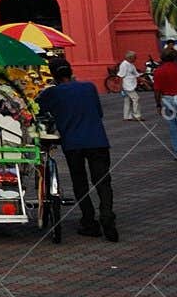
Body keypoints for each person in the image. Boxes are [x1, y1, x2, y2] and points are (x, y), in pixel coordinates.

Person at [38, 57, 118, 241]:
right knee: (103, 181)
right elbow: (99, 113)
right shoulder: (89, 87)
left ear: (52, 75)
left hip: (73, 143)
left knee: (80, 182)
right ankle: (107, 215)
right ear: (70, 71)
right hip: (97, 141)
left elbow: (38, 111)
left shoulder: (52, 93)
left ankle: (89, 221)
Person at [116, 50, 142, 121]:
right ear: (130, 58)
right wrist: (121, 87)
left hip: (130, 84)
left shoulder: (131, 65)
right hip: (127, 85)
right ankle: (137, 115)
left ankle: (127, 116)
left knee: (127, 100)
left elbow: (136, 74)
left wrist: (143, 80)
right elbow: (121, 76)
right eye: (134, 57)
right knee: (136, 98)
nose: (135, 59)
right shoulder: (124, 65)